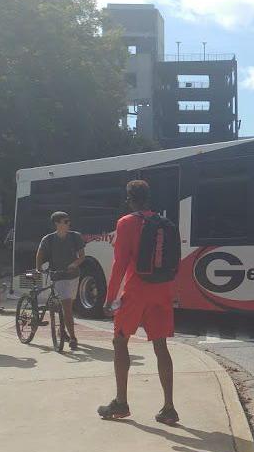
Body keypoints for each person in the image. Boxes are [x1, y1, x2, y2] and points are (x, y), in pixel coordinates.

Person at [98, 180, 178, 425]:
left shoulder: (126, 222)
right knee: (160, 345)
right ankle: (169, 408)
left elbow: (119, 264)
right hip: (161, 290)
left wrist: (110, 299)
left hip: (136, 292)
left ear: (129, 198)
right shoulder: (164, 222)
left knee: (120, 341)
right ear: (149, 197)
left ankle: (121, 402)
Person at [36, 211, 86, 349]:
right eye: (65, 221)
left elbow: (82, 256)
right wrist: (38, 268)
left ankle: (61, 330)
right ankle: (73, 338)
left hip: (74, 275)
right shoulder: (48, 239)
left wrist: (74, 264)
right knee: (68, 308)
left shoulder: (75, 237)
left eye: (69, 221)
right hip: (59, 277)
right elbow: (39, 254)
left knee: (68, 307)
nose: (68, 223)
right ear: (57, 224)